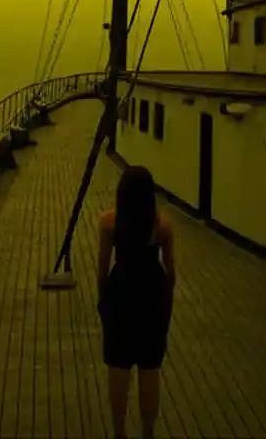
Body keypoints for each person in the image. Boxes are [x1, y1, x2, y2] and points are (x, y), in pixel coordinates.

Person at [97, 165, 176, 439]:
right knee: (149, 368)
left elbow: (102, 268)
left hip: (121, 293)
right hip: (152, 295)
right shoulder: (161, 227)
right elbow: (170, 272)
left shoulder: (109, 222)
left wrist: (103, 301)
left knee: (118, 367)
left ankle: (119, 432)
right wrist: (166, 304)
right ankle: (148, 433)